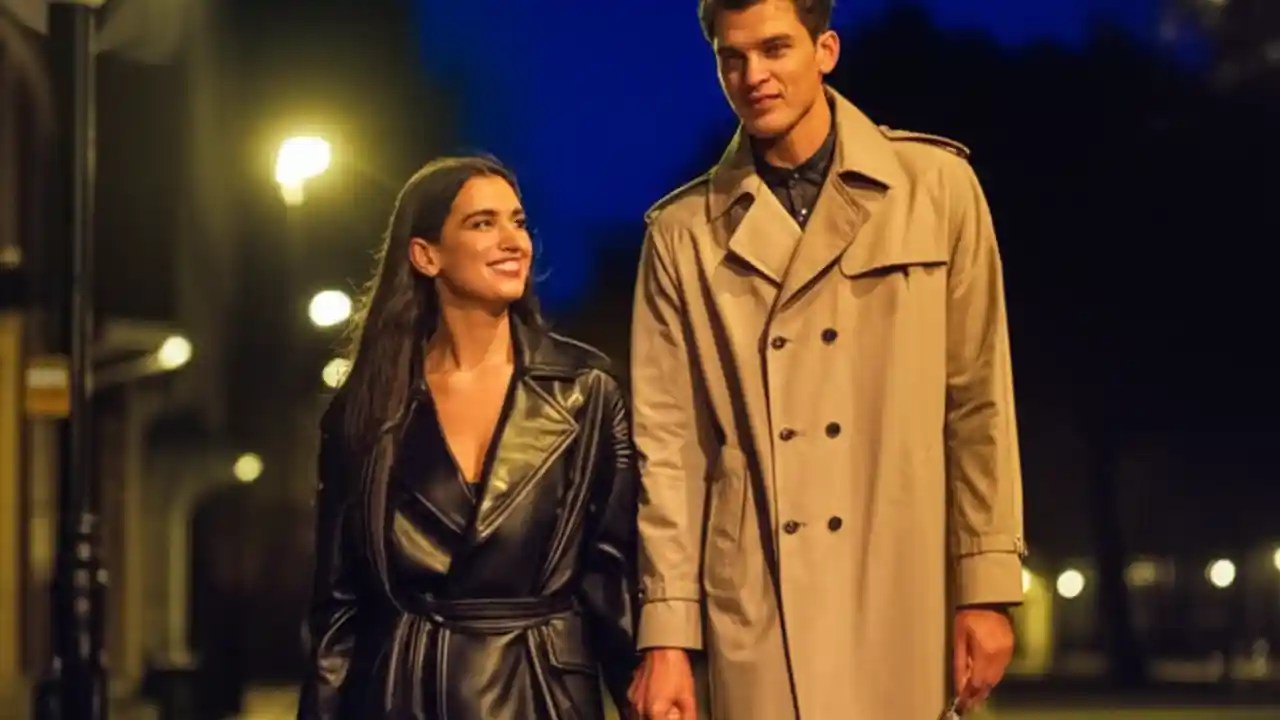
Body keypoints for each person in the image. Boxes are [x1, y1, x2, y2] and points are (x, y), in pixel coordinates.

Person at [626, 1, 1026, 718]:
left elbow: (979, 401)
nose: (754, 75)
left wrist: (987, 585)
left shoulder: (937, 188)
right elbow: (668, 452)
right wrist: (666, 636)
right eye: (732, 57)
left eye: (776, 49)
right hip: (759, 591)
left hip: (903, 572)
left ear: (826, 49)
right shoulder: (681, 235)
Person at [297, 155, 639, 719]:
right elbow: (338, 605)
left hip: (542, 692)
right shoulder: (367, 407)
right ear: (426, 255)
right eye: (483, 224)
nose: (513, 241)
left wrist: (643, 688)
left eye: (518, 222)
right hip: (406, 694)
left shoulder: (586, 390)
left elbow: (613, 575)